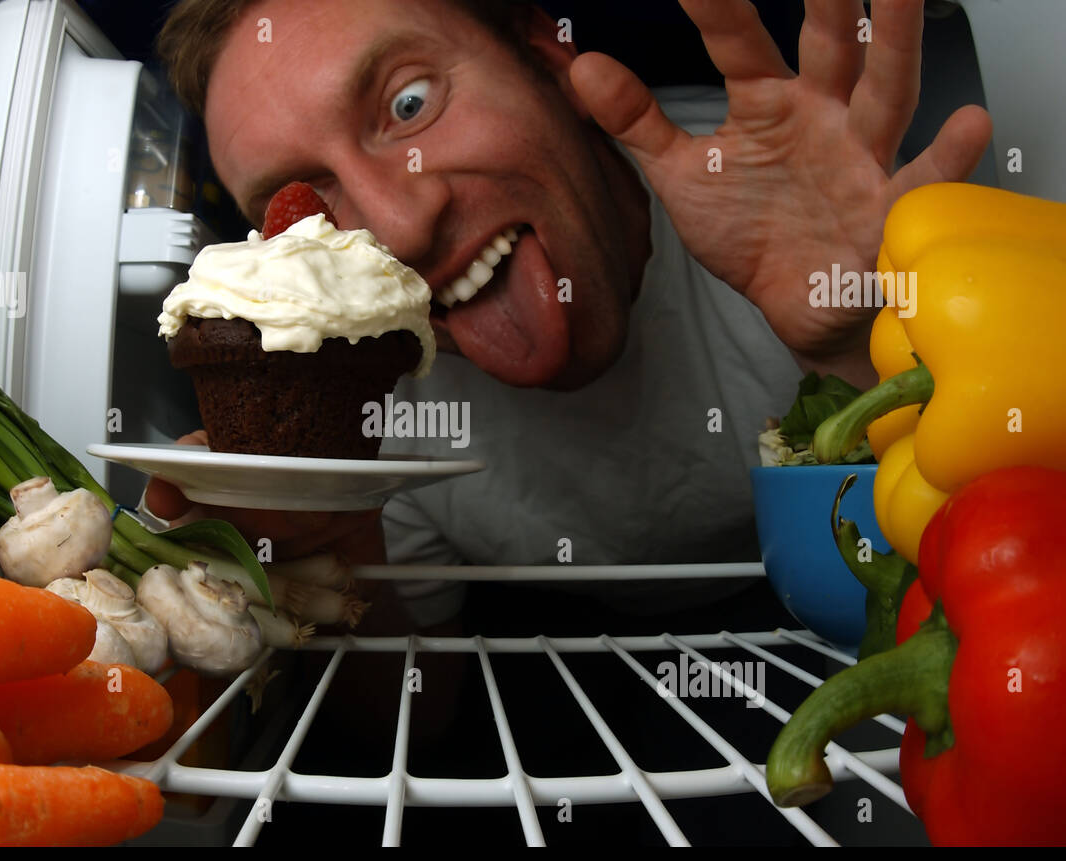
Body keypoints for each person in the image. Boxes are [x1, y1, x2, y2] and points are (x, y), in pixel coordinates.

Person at [143, 0, 991, 640]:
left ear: (546, 55)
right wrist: (333, 540)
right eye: (308, 206)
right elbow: (417, 714)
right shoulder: (359, 405)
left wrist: (853, 339)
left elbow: (975, 575)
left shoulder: (812, 194)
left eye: (409, 106)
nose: (397, 228)